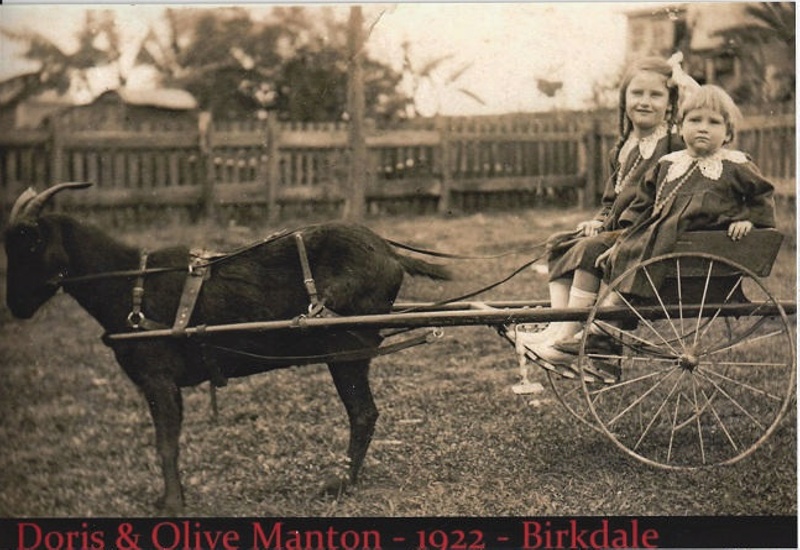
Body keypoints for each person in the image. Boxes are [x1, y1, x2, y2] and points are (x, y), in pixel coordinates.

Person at [555, 84, 777, 357]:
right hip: (658, 238)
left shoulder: (734, 164)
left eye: (713, 122)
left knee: (639, 261)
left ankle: (601, 331)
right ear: (681, 128)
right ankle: (600, 330)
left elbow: (761, 196)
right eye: (694, 120)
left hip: (694, 244)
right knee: (627, 255)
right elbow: (643, 208)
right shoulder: (668, 164)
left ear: (728, 133)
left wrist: (749, 220)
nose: (703, 128)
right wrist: (622, 242)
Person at [511, 54, 694, 366]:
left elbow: (702, 121)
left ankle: (568, 337)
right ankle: (558, 326)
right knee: (559, 242)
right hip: (617, 229)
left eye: (655, 95)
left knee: (591, 249)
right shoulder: (623, 147)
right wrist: (599, 220)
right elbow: (612, 200)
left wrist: (685, 86)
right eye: (637, 93)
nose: (645, 101)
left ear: (669, 103)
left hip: (645, 230)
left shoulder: (674, 144)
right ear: (624, 99)